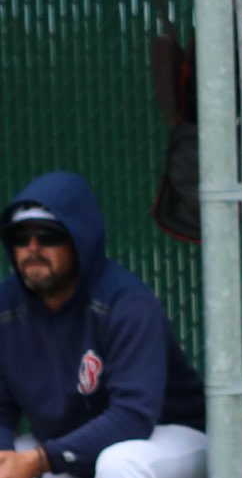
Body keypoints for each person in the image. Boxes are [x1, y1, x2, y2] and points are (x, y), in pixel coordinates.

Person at [0, 171, 208, 478]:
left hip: (165, 437)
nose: (32, 248)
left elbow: (133, 417)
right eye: (20, 238)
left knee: (119, 463)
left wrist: (43, 459)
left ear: (79, 238)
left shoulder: (125, 302)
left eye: (48, 236)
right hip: (65, 445)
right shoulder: (6, 306)